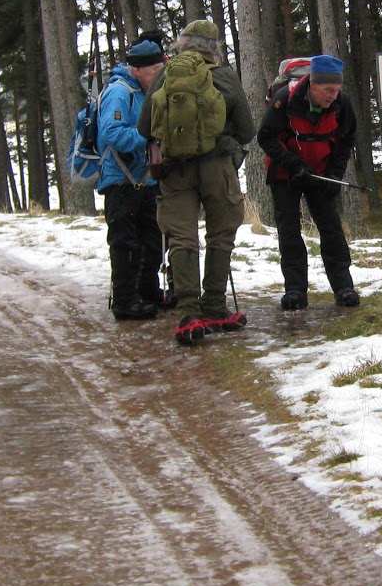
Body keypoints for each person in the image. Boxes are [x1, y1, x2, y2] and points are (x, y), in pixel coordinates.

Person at [136, 19, 257, 345]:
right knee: (220, 236)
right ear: (213, 47)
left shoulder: (165, 75)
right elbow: (247, 131)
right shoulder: (226, 77)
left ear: (182, 44)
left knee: (182, 239)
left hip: (175, 171)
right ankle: (215, 306)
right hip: (218, 168)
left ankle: (188, 314)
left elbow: (144, 128)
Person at [257, 53, 360, 310]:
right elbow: (266, 137)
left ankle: (344, 287)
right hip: (285, 174)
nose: (332, 96)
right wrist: (293, 164)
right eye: (328, 90)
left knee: (331, 228)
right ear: (312, 84)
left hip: (322, 173)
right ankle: (295, 291)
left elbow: (347, 139)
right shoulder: (284, 101)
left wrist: (335, 174)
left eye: (336, 90)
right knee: (289, 230)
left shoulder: (341, 105)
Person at [97, 39, 167, 321]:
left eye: (161, 69)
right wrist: (148, 136)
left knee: (153, 239)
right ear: (136, 70)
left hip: (146, 181)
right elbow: (111, 134)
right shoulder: (119, 92)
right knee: (125, 244)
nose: (159, 75)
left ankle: (148, 292)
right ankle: (125, 301)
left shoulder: (144, 91)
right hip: (120, 182)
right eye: (154, 70)